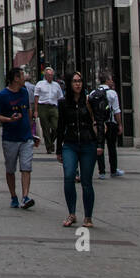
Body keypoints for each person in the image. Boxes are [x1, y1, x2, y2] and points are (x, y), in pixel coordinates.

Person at [55, 71, 104, 228]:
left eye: (80, 81)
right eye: (75, 81)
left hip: (88, 143)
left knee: (86, 181)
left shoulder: (89, 101)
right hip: (70, 143)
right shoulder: (63, 103)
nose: (78, 84)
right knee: (69, 176)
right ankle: (72, 213)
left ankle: (88, 217)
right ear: (69, 84)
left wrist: (100, 144)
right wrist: (58, 149)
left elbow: (99, 122)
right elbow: (60, 126)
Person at [0, 67, 39, 209]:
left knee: (26, 167)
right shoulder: (2, 95)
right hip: (10, 138)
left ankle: (25, 197)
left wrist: (32, 132)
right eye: (22, 75)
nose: (25, 77)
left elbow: (28, 111)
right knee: (10, 169)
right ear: (15, 78)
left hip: (26, 137)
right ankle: (13, 196)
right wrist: (9, 119)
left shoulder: (24, 92)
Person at [91, 73, 124, 178]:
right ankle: (113, 170)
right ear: (107, 81)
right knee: (112, 146)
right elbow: (116, 110)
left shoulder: (93, 93)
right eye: (111, 79)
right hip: (110, 123)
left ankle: (102, 172)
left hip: (99, 123)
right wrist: (119, 124)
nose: (112, 81)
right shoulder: (112, 93)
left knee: (99, 146)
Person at [34, 66, 63, 153]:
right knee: (45, 127)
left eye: (51, 75)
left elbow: (60, 98)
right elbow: (36, 97)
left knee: (56, 127)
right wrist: (36, 110)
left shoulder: (56, 85)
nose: (50, 76)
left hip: (53, 107)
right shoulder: (40, 84)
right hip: (43, 106)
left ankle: (51, 141)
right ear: (45, 75)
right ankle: (49, 147)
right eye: (48, 75)